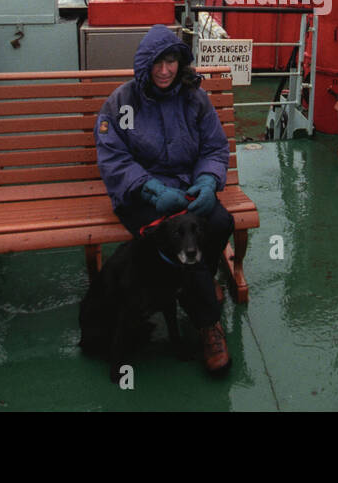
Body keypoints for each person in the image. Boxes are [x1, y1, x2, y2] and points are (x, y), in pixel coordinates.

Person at [94, 24, 234, 373]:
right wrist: (151, 189)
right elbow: (113, 158)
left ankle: (197, 279)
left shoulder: (194, 99)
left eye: (171, 61)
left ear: (180, 63)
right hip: (140, 195)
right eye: (157, 63)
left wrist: (206, 181)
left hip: (187, 188)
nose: (165, 70)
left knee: (220, 221)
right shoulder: (122, 103)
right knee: (174, 237)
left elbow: (214, 147)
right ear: (144, 65)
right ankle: (208, 324)